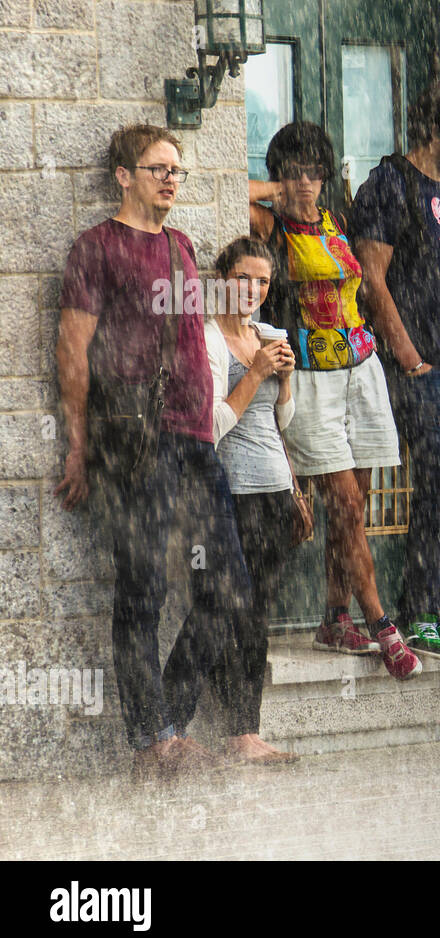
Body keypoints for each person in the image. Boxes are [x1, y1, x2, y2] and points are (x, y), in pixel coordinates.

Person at [55, 124, 251, 777]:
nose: (171, 178)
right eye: (157, 168)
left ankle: (169, 717)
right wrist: (78, 443)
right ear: (124, 175)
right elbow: (72, 349)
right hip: (135, 440)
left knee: (227, 587)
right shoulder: (97, 248)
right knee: (141, 590)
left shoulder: (182, 246)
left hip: (196, 440)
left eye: (177, 170)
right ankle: (153, 739)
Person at [249, 121, 421, 680]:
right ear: (279, 176)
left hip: (361, 370)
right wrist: (270, 191)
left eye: (315, 172)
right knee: (344, 502)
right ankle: (381, 624)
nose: (306, 183)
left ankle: (334, 615)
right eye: (295, 173)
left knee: (353, 511)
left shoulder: (338, 219)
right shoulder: (270, 228)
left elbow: (367, 284)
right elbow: (221, 189)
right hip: (311, 378)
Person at [351, 81, 440, 660]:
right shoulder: (389, 183)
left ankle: (434, 610)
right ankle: (423, 614)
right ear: (437, 129)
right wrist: (408, 355)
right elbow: (371, 276)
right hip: (425, 367)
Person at [200, 237, 300, 765]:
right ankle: (234, 729)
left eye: (263, 281)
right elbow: (210, 426)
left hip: (275, 489)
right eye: (244, 278)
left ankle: (247, 728)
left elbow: (285, 422)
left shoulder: (272, 334)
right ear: (222, 279)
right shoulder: (210, 340)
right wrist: (257, 372)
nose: (254, 290)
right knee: (228, 609)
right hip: (231, 493)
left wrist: (283, 382)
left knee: (257, 611)